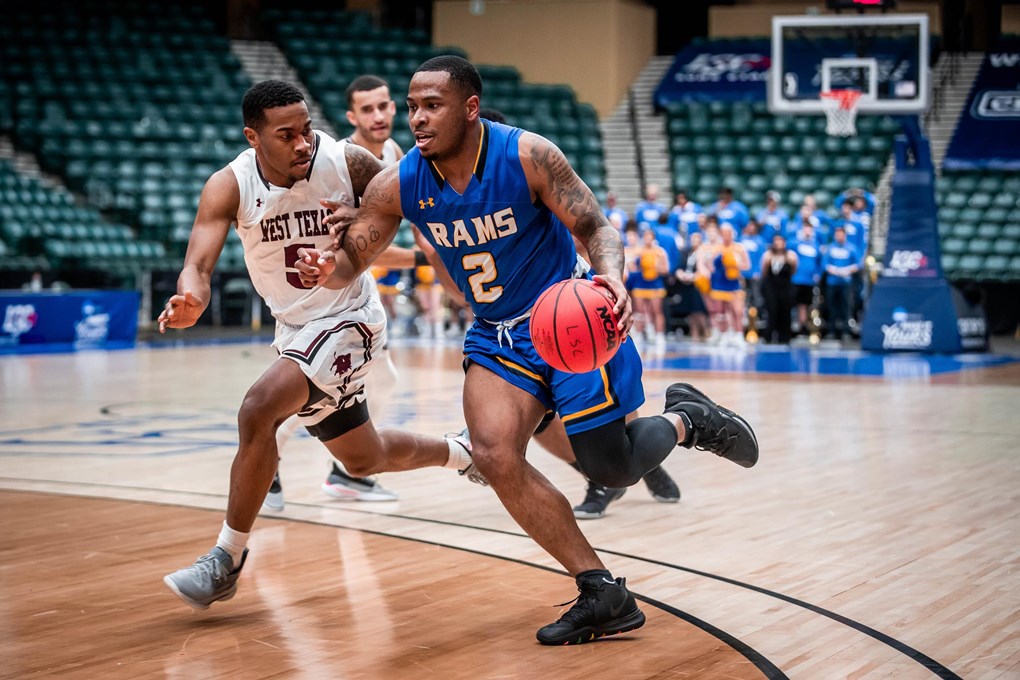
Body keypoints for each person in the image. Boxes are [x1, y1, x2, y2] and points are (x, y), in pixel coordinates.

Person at [298, 56, 758, 645]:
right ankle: (602, 591)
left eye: (430, 105)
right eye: (411, 106)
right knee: (493, 454)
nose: (416, 118)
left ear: (469, 108)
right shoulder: (400, 183)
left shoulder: (528, 155)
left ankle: (688, 419)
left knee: (610, 466)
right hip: (497, 334)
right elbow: (351, 260)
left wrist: (612, 275)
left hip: (567, 323)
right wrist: (324, 269)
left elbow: (596, 227)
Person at [159, 80, 486, 610]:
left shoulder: (345, 159)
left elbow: (408, 201)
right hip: (294, 330)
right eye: (285, 135)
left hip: (352, 318)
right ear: (253, 137)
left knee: (258, 410)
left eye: (305, 129)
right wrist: (190, 297)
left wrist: (363, 223)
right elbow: (197, 264)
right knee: (364, 459)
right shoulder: (230, 185)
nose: (302, 143)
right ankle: (463, 453)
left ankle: (227, 557)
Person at [267, 74, 412, 509]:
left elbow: (380, 229)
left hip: (354, 297)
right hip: (315, 295)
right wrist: (423, 260)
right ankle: (269, 466)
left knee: (380, 382)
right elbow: (365, 248)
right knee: (307, 390)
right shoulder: (340, 161)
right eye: (368, 109)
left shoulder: (394, 155)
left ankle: (346, 475)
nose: (379, 115)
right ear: (352, 117)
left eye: (385, 105)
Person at [630, 227, 670, 348]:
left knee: (657, 311)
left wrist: (656, 267)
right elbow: (631, 266)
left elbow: (666, 269)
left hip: (655, 284)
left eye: (649, 236)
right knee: (639, 311)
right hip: (640, 283)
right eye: (645, 236)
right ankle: (639, 333)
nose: (647, 239)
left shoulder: (659, 252)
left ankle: (659, 335)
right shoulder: (638, 251)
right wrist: (639, 268)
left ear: (653, 238)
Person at [822, 225, 859, 342]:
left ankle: (845, 331)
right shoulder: (830, 248)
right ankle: (832, 331)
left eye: (841, 235)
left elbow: (858, 264)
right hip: (832, 282)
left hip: (846, 282)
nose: (839, 237)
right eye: (837, 235)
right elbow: (824, 264)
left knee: (846, 306)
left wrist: (847, 270)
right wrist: (835, 270)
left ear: (845, 235)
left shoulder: (851, 248)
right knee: (831, 306)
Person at [760, 234, 797, 344]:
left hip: (785, 286)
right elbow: (764, 272)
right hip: (771, 286)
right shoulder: (768, 255)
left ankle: (784, 336)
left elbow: (794, 270)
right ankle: (769, 335)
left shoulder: (791, 256)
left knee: (785, 311)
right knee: (772, 310)